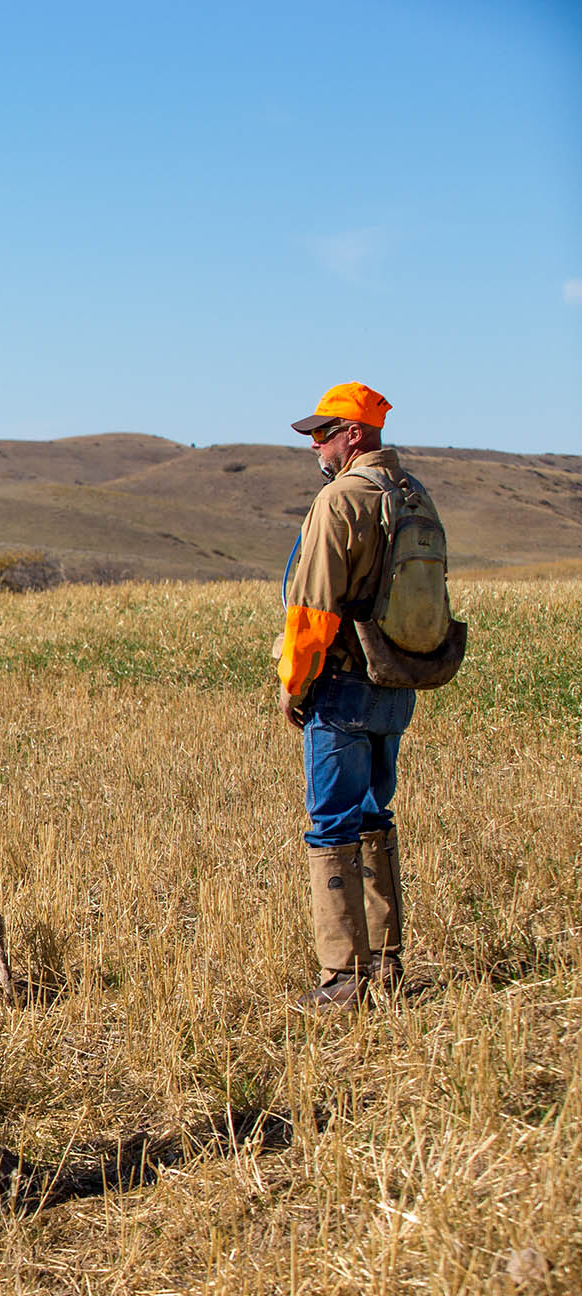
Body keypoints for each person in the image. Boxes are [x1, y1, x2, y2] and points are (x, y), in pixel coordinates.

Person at [278, 382, 430, 1010]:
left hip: (339, 684)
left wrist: (294, 684)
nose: (316, 444)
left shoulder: (342, 499)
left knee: (333, 824)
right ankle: (387, 964)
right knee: (374, 816)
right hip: (396, 682)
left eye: (325, 432)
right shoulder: (413, 496)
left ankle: (344, 977)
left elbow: (313, 609)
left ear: (356, 435)